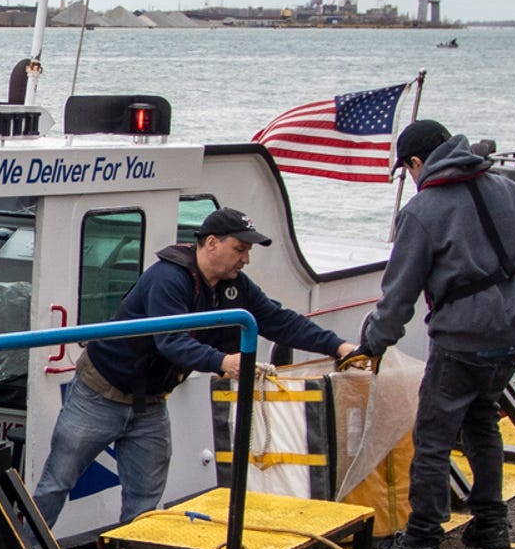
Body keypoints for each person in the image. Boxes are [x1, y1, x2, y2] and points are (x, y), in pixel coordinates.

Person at [32, 207, 349, 527]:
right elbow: (170, 341)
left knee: (145, 500)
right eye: (240, 249)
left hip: (151, 403)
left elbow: (279, 321)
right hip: (99, 394)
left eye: (248, 251)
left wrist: (338, 346)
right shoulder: (167, 278)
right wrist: (223, 361)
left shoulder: (236, 286)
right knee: (56, 484)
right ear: (212, 243)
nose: (246, 259)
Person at [359, 118, 515, 549]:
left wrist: (373, 343)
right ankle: (491, 525)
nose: (411, 180)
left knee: (433, 437)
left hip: (463, 338)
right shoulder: (507, 187)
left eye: (407, 170)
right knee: (483, 420)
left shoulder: (423, 210)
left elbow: (398, 297)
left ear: (416, 162)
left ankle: (422, 541)